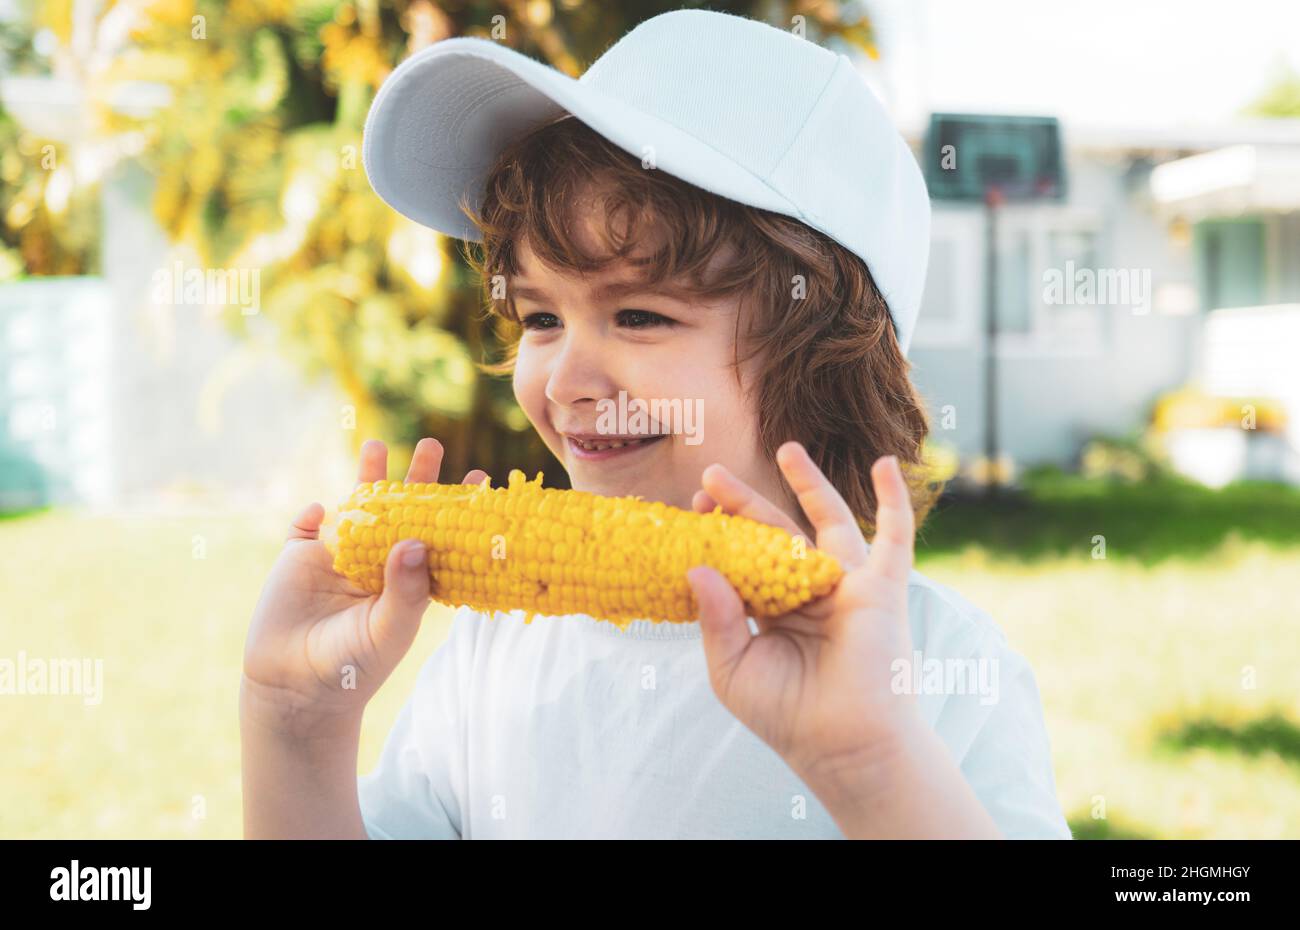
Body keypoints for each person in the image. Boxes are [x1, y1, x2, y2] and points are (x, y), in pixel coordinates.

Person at [240, 9, 1070, 839]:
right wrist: (293, 725)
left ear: (822, 361)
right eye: (539, 318)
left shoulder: (943, 674)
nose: (565, 379)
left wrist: (872, 766)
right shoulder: (497, 648)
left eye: (637, 315)